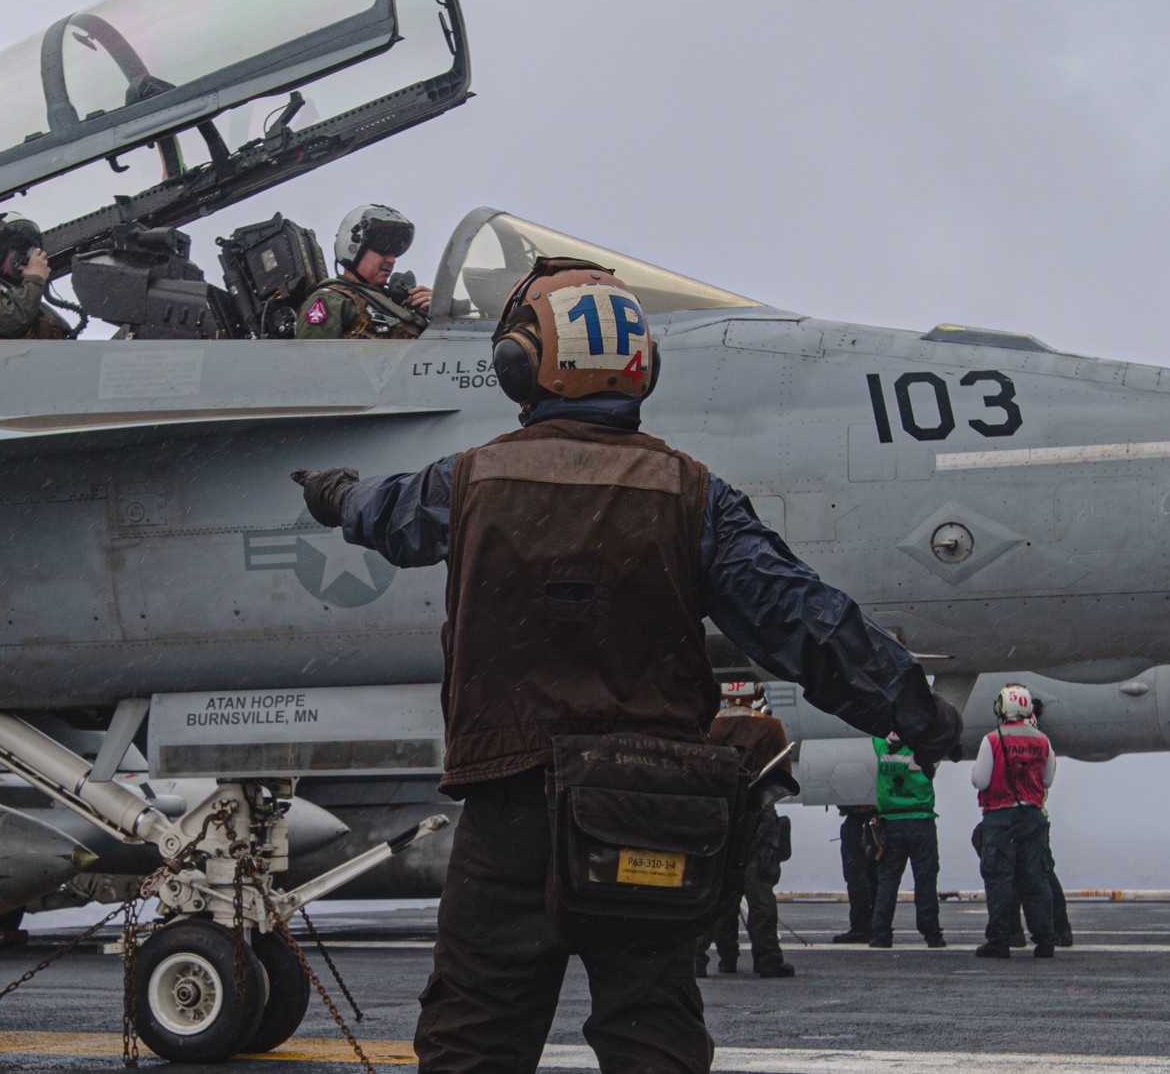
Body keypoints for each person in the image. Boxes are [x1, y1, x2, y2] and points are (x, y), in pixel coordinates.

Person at [291, 256, 961, 1073]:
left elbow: (383, 516)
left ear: (519, 364)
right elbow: (807, 621)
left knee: (473, 1044)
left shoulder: (469, 481)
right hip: (649, 815)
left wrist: (333, 493)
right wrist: (914, 710)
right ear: (640, 366)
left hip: (512, 819)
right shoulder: (693, 495)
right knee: (653, 1036)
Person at [700, 682, 794, 979]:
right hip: (760, 815)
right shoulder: (770, 727)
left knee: (715, 888)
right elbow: (784, 775)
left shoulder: (708, 728)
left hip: (720, 814)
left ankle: (708, 958)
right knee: (760, 889)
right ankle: (767, 959)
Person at [972, 683, 1059, 959]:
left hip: (1000, 817)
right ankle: (1045, 940)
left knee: (999, 880)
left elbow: (980, 779)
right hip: (1033, 818)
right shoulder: (1042, 740)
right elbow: (1047, 779)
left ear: (1003, 707)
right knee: (1036, 879)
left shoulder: (993, 739)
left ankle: (999, 941)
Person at [293, 204, 432, 339]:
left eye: (395, 252)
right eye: (383, 249)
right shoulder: (332, 301)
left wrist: (436, 315)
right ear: (353, 247)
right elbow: (310, 359)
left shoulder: (399, 307)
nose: (391, 260)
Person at [869, 732, 944, 948]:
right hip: (921, 820)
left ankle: (881, 933)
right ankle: (932, 934)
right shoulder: (925, 746)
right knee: (926, 879)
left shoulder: (882, 746)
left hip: (891, 822)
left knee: (888, 879)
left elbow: (873, 731)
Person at [832, 803, 881, 944]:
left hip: (858, 820)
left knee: (856, 875)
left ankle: (861, 927)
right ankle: (876, 924)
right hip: (877, 819)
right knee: (875, 876)